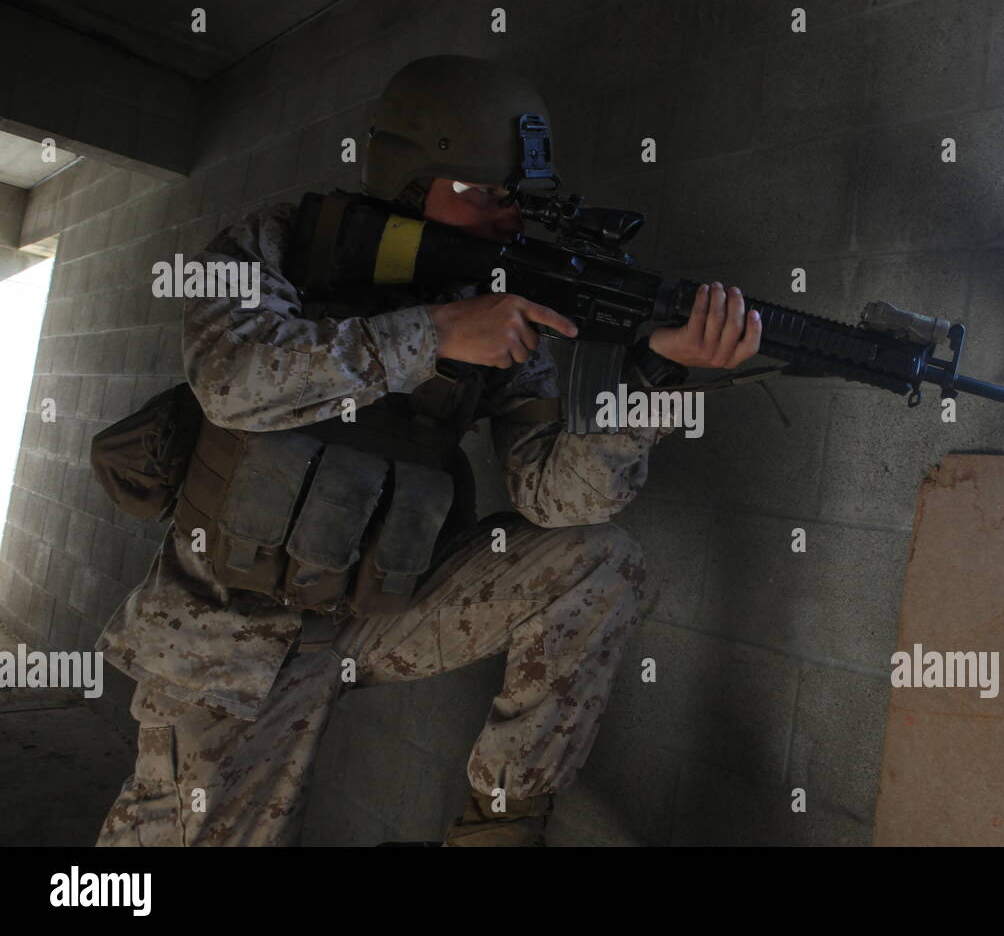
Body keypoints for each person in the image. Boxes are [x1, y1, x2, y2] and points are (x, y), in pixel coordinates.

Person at [94, 54, 761, 847]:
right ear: (408, 181)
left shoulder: (504, 303)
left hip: (375, 611)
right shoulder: (280, 244)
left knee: (597, 557)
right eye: (478, 193)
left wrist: (655, 378)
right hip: (226, 634)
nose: (503, 218)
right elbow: (228, 379)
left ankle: (497, 831)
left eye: (512, 199)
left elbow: (556, 496)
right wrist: (436, 335)